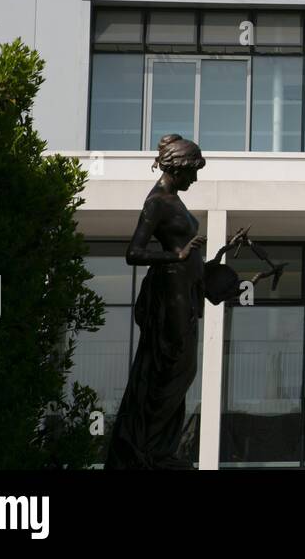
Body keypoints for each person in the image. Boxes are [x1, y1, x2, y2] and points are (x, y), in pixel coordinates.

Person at [104, 134, 210, 469]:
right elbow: (133, 253)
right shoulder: (157, 202)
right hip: (170, 298)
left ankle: (160, 448)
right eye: (192, 171)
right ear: (177, 167)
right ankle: (147, 450)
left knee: (183, 371)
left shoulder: (173, 199)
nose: (195, 178)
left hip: (186, 295)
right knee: (171, 370)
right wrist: (176, 255)